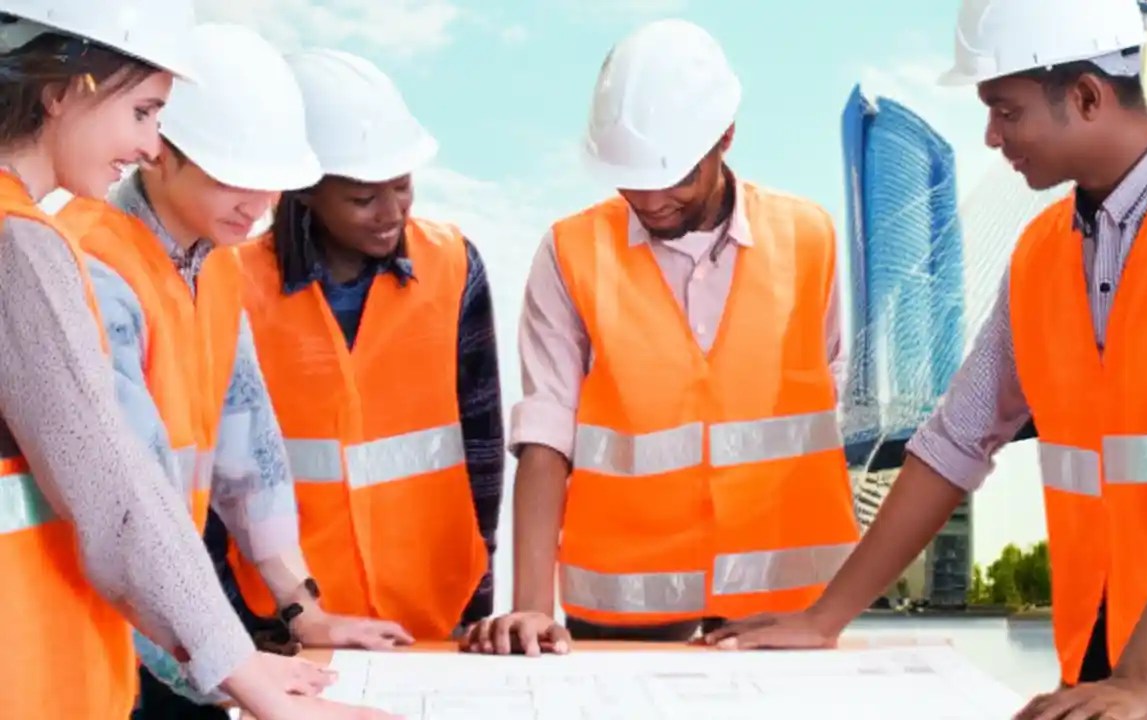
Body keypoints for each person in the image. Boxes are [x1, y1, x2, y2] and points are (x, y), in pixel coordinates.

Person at [706, 0, 1147, 718]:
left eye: (1006, 112)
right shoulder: (1040, 252)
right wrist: (825, 618)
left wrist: (1138, 681)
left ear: (1086, 96)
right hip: (1092, 664)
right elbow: (953, 441)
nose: (990, 136)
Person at [0, 2, 396, 719]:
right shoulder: (36, 248)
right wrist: (236, 674)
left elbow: (250, 445)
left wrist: (297, 609)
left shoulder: (208, 266)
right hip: (77, 655)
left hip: (101, 647)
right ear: (64, 90)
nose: (148, 145)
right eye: (145, 112)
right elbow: (117, 491)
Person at [461, 18, 856, 655]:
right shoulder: (570, 253)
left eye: (673, 174)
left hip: (788, 606)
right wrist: (531, 608)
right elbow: (545, 432)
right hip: (623, 604)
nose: (650, 198)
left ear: (726, 135)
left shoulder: (812, 239)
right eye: (630, 175)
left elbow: (824, 397)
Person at [228, 47, 504, 644]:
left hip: (436, 610)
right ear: (301, 191)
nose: (391, 214)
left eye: (402, 188)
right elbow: (219, 473)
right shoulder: (233, 285)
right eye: (361, 199)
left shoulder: (455, 265)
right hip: (288, 624)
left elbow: (483, 443)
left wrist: (479, 598)